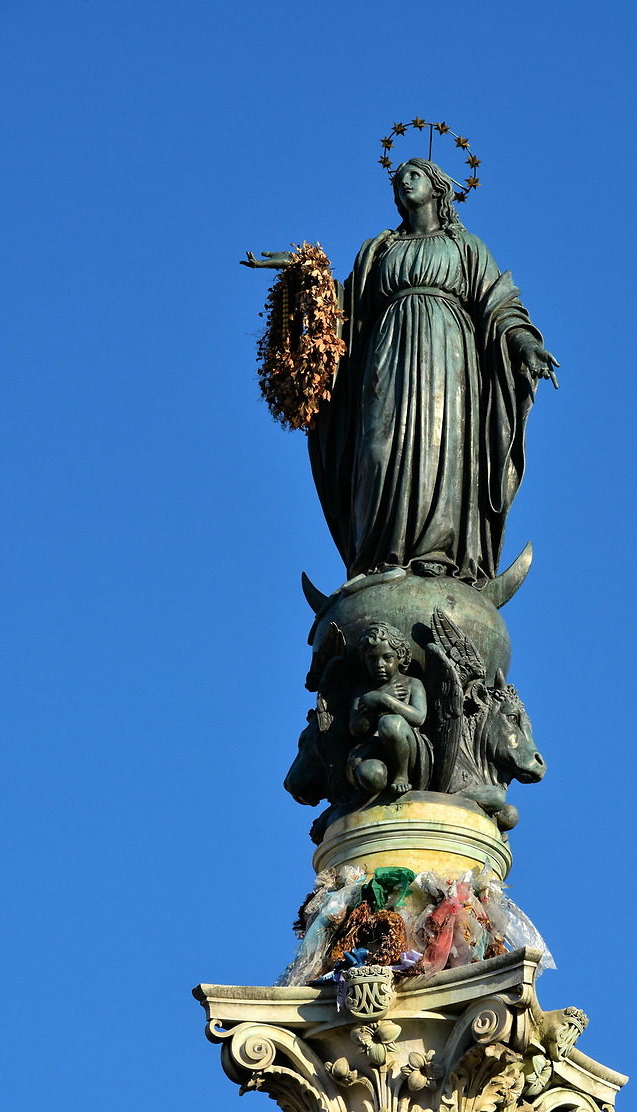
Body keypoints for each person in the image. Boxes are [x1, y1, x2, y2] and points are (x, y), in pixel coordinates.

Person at [245, 158, 558, 581]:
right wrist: (307, 273)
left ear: (437, 187)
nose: (403, 183)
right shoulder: (380, 250)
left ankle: (439, 553)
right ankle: (377, 553)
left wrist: (525, 344)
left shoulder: (466, 247)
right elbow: (346, 311)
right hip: (387, 353)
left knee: (439, 449)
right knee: (376, 448)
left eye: (414, 175)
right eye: (398, 179)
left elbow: (499, 304)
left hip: (449, 357)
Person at [347, 624, 429, 799]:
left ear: (401, 657)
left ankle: (401, 775)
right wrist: (374, 702)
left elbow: (419, 717)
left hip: (408, 749)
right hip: (374, 750)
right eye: (372, 659)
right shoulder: (362, 691)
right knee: (370, 776)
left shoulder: (412, 683)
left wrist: (384, 699)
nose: (379, 664)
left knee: (390, 722)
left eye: (387, 658)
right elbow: (356, 729)